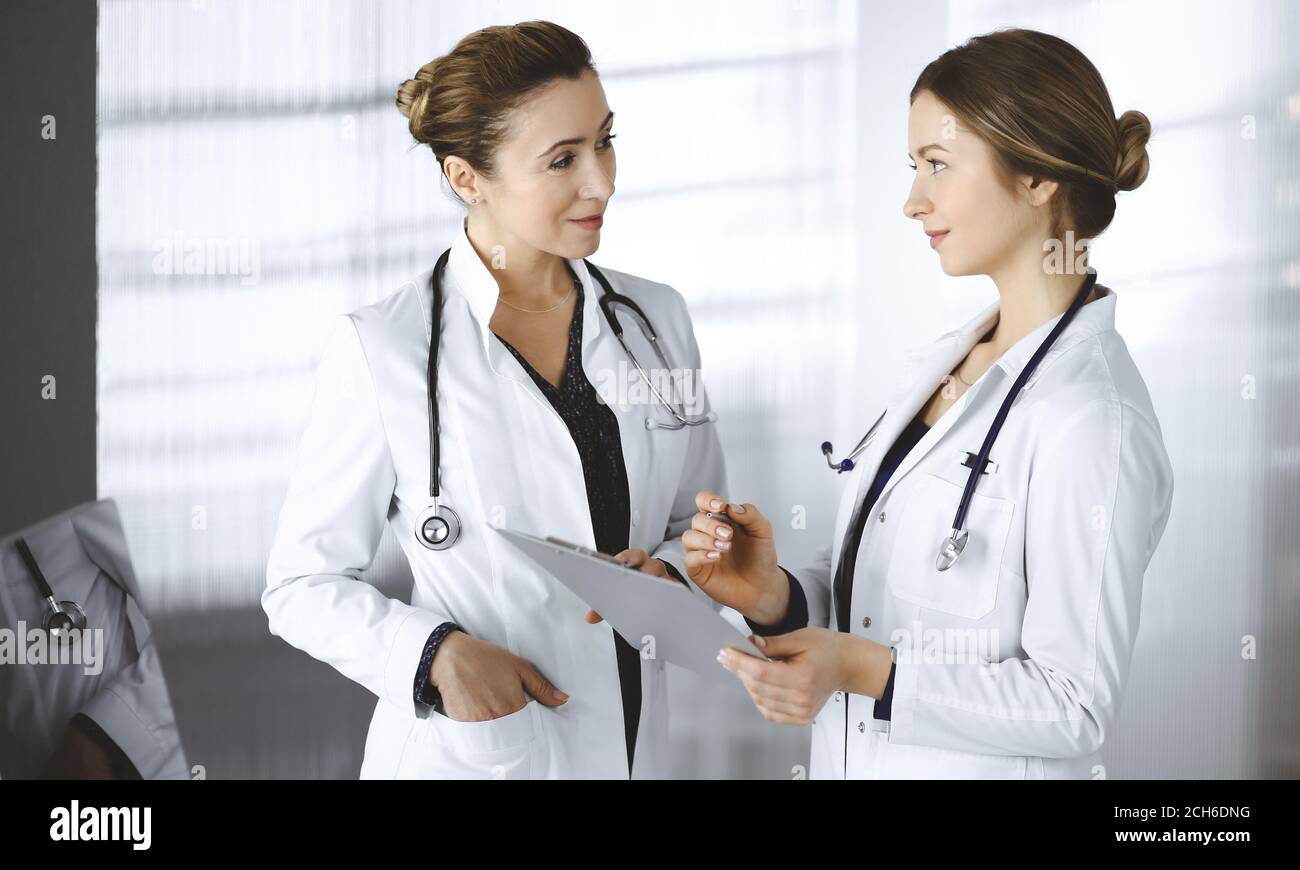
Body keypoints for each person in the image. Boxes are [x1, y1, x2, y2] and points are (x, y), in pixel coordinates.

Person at [682, 28, 1174, 779]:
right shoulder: (947, 361)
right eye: (915, 167)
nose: (914, 201)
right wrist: (775, 595)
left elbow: (1073, 704)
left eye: (938, 165)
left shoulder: (1090, 419)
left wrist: (868, 671)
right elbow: (892, 599)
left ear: (1038, 175)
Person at [262, 20, 725, 779]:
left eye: (605, 142)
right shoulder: (385, 349)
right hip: (476, 753)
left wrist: (670, 574)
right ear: (466, 178)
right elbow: (301, 585)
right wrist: (435, 657)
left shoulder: (658, 322)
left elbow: (696, 522)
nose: (602, 181)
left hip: (635, 748)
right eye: (562, 160)